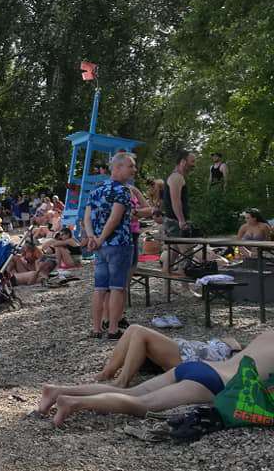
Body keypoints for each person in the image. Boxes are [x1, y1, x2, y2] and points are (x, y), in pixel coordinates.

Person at [38, 329, 274, 427]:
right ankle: (73, 403)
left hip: (199, 366)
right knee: (142, 405)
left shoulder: (267, 334)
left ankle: (57, 390)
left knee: (131, 392)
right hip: (214, 383)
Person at [83, 152, 137, 340]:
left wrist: (92, 238)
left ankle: (96, 329)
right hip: (119, 244)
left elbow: (87, 218)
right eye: (130, 166)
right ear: (118, 167)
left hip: (100, 248)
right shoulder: (123, 191)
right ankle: (113, 329)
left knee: (99, 288)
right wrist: (100, 238)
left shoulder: (96, 190)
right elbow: (115, 219)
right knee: (117, 288)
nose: (134, 169)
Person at [95, 324, 239, 388]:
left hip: (189, 357)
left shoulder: (238, 357)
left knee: (140, 332)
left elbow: (235, 358)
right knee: (133, 328)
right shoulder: (234, 346)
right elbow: (230, 338)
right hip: (185, 347)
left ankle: (121, 382)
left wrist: (237, 351)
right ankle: (108, 372)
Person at [163, 150, 196, 239]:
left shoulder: (177, 177)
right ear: (183, 162)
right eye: (192, 161)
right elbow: (176, 201)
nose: (194, 165)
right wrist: (181, 221)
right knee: (187, 252)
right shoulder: (176, 177)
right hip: (176, 223)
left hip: (173, 222)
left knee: (174, 252)